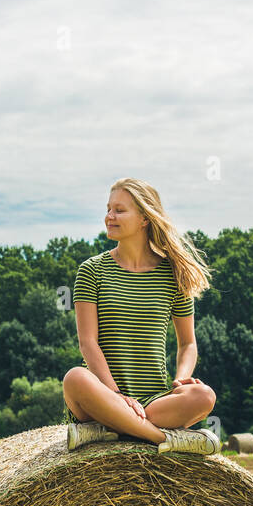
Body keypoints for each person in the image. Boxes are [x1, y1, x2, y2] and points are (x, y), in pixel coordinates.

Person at [64, 178, 220, 454]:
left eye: (119, 210)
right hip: (102, 396)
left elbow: (188, 344)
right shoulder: (92, 271)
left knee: (204, 396)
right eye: (108, 209)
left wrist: (182, 378)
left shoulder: (173, 275)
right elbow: (88, 343)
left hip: (154, 401)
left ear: (145, 218)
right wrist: (116, 396)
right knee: (75, 378)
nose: (109, 217)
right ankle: (161, 438)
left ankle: (112, 429)